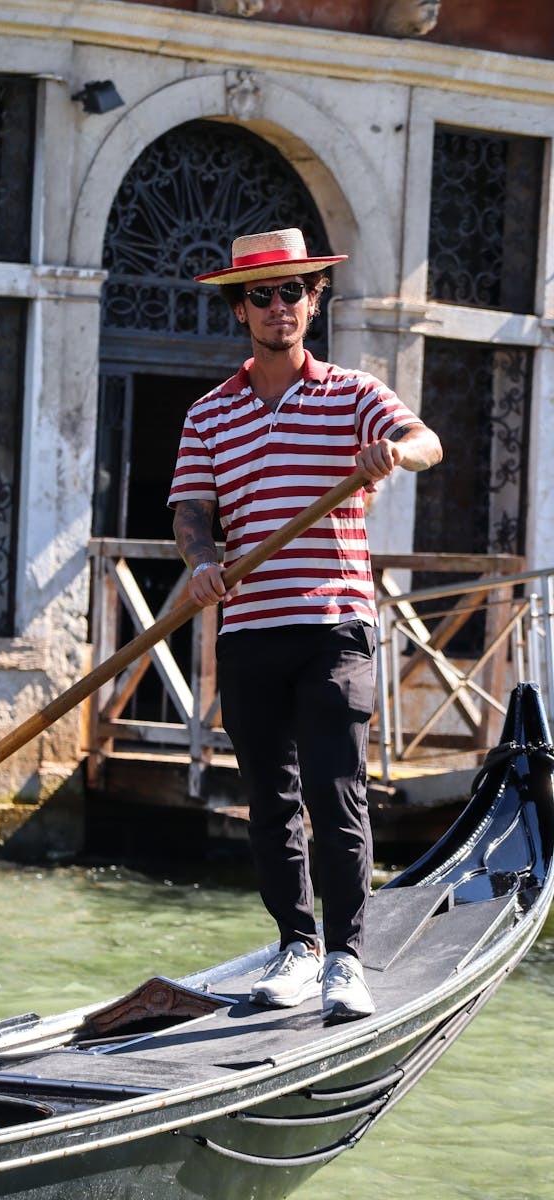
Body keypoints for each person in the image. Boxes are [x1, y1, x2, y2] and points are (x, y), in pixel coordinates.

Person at [168, 228, 442, 1022]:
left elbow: (428, 441)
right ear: (241, 308)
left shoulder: (355, 395)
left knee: (335, 791)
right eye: (263, 293)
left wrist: (393, 455)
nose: (280, 305)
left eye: (295, 290)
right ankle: (297, 945)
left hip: (334, 624)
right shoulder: (208, 414)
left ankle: (346, 959)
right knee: (271, 800)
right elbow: (192, 510)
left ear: (314, 301)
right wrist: (200, 562)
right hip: (250, 628)